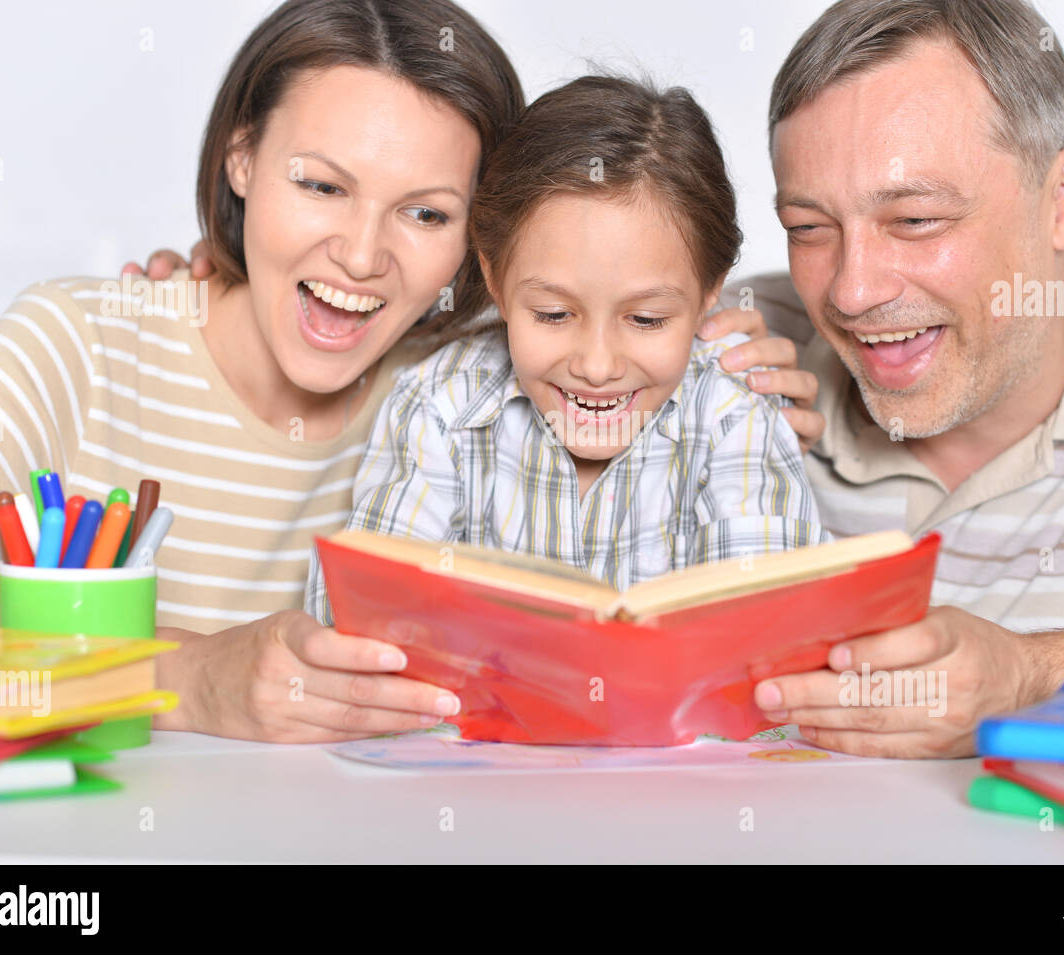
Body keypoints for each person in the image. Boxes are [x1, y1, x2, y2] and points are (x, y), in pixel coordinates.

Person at [0, 0, 821, 742]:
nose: (362, 255)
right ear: (242, 158)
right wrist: (186, 677)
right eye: (321, 186)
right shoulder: (74, 344)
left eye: (424, 211)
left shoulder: (461, 385)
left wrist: (724, 356)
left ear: (479, 240)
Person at [739, 0, 1064, 757]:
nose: (850, 291)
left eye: (915, 220)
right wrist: (659, 409)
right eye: (810, 228)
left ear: (1060, 202)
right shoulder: (738, 352)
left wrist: (1030, 677)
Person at [305, 75, 819, 623]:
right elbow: (360, 621)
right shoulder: (439, 406)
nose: (596, 367)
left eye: (646, 319)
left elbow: (763, 634)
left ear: (709, 293)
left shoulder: (735, 406)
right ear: (495, 280)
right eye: (553, 314)